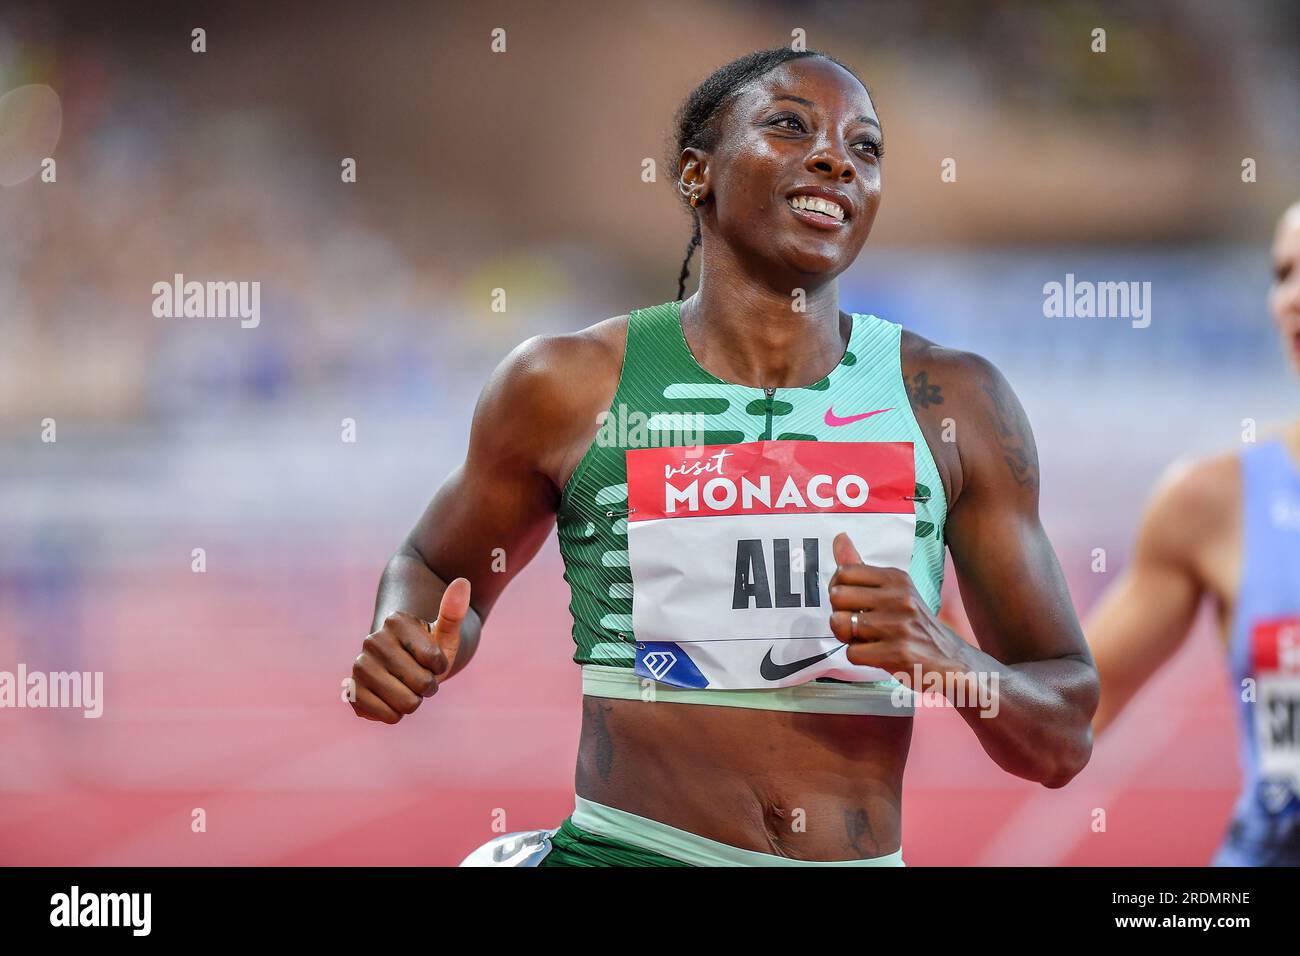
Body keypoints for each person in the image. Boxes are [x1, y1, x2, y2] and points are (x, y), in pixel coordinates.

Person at [346, 47, 1098, 867]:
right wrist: (407, 635)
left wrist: (950, 661)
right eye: (790, 126)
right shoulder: (564, 386)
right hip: (626, 852)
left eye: (866, 147)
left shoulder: (954, 403)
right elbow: (431, 563)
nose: (835, 158)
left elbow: (1060, 740)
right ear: (697, 174)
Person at [1087, 201, 1300, 866]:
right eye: (1282, 273)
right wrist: (951, 656)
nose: (1292, 298)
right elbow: (1068, 712)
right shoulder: (1213, 500)